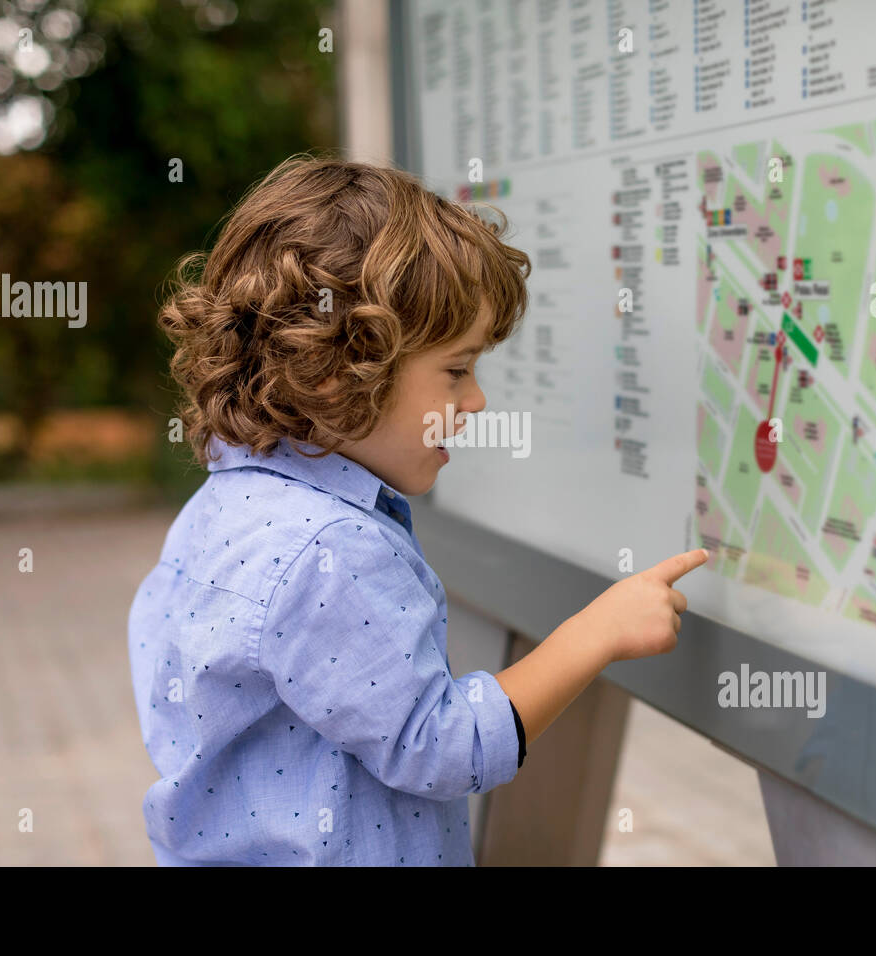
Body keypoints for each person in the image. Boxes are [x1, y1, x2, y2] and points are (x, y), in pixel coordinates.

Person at [127, 153, 709, 866]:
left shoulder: (223, 506)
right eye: (456, 371)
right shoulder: (329, 549)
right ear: (338, 370)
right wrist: (597, 633)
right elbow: (440, 747)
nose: (477, 401)